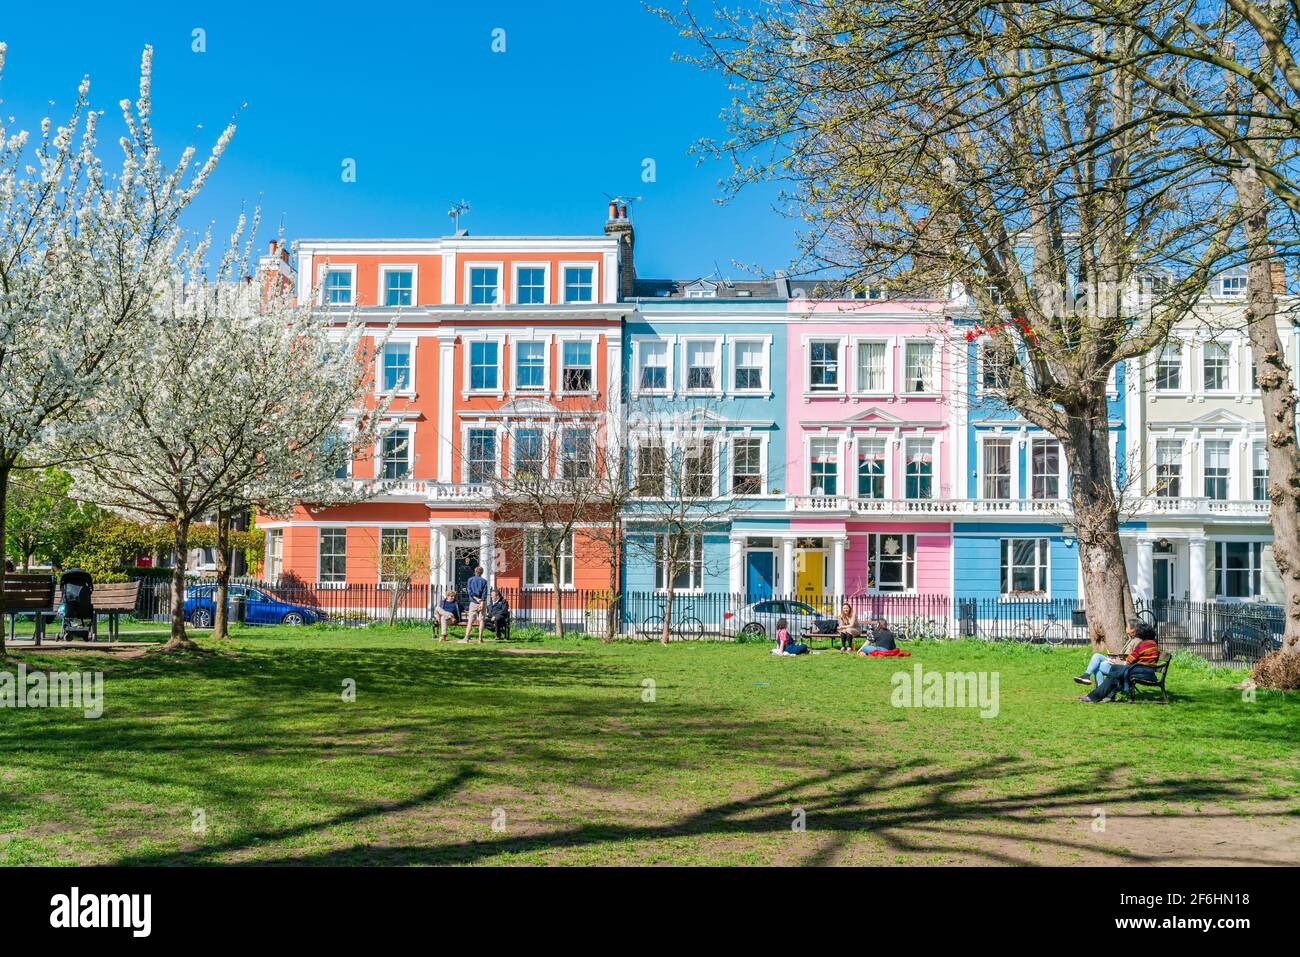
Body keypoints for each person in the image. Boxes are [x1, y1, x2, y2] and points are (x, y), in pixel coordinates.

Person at [1079, 621, 1160, 702]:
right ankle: (1104, 694)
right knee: (1114, 670)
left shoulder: (1143, 644)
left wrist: (1124, 662)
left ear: (1142, 633)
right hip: (1146, 670)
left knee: (1114, 673)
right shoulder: (1153, 643)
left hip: (1140, 670)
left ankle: (1095, 696)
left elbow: (1131, 659)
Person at [1074, 620, 1143, 687]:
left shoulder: (1137, 641)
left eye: (1127, 626)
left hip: (1123, 667)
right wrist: (1114, 658)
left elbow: (1131, 658)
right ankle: (1087, 675)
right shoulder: (1131, 639)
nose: (1126, 627)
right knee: (1097, 656)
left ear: (1133, 629)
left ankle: (1099, 690)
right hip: (1120, 663)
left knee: (1098, 666)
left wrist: (1116, 661)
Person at [464, 565, 489, 643]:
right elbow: (484, 594)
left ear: (475, 572)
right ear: (482, 573)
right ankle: (480, 639)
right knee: (481, 620)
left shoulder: (470, 580)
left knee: (470, 621)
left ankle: (466, 638)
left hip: (473, 603)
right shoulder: (484, 581)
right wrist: (481, 602)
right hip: (482, 603)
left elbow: (470, 591)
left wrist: (476, 599)